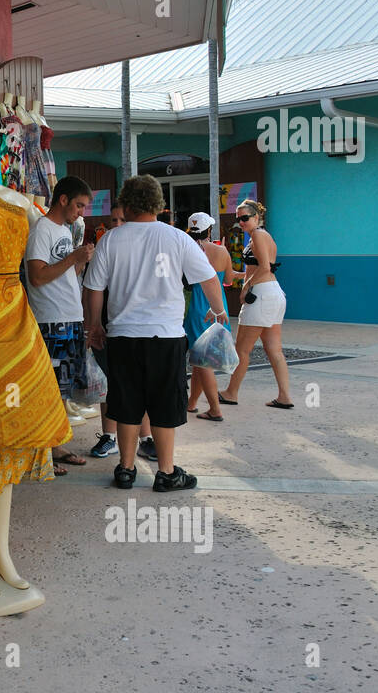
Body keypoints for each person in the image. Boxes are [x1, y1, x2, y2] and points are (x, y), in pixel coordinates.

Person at [83, 174, 228, 491]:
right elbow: (209, 279)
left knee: (126, 403)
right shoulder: (176, 238)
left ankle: (125, 469)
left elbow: (94, 288)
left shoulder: (111, 239)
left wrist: (94, 325)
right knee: (165, 403)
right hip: (165, 336)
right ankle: (166, 472)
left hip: (122, 336)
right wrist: (218, 311)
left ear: (127, 202)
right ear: (158, 203)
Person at [24, 175, 93, 470]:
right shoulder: (43, 230)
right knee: (51, 388)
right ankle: (45, 450)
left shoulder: (64, 230)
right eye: (78, 205)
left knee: (62, 389)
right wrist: (74, 258)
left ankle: (54, 444)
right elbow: (37, 276)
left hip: (68, 316)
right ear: (63, 199)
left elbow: (64, 274)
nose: (81, 212)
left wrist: (80, 261)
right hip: (52, 320)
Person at [86, 205, 154, 458]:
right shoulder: (102, 250)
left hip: (136, 327)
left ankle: (146, 438)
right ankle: (109, 436)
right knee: (109, 383)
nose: (117, 224)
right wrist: (92, 324)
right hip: (106, 326)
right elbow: (90, 290)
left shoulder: (142, 250)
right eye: (113, 219)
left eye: (122, 219)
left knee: (139, 385)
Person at [220, 199, 293, 407]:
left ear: (256, 217)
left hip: (261, 294)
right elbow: (258, 268)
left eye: (245, 218)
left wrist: (245, 287)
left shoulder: (259, 235)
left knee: (242, 349)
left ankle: (231, 393)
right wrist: (239, 275)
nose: (241, 222)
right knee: (274, 349)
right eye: (238, 218)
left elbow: (265, 267)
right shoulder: (261, 236)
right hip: (272, 294)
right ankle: (284, 396)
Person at [183, 211, 243, 420]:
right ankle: (198, 405)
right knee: (203, 361)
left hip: (194, 307)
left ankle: (210, 408)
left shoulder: (187, 250)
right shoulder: (221, 251)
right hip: (217, 307)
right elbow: (228, 280)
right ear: (209, 230)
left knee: (200, 360)